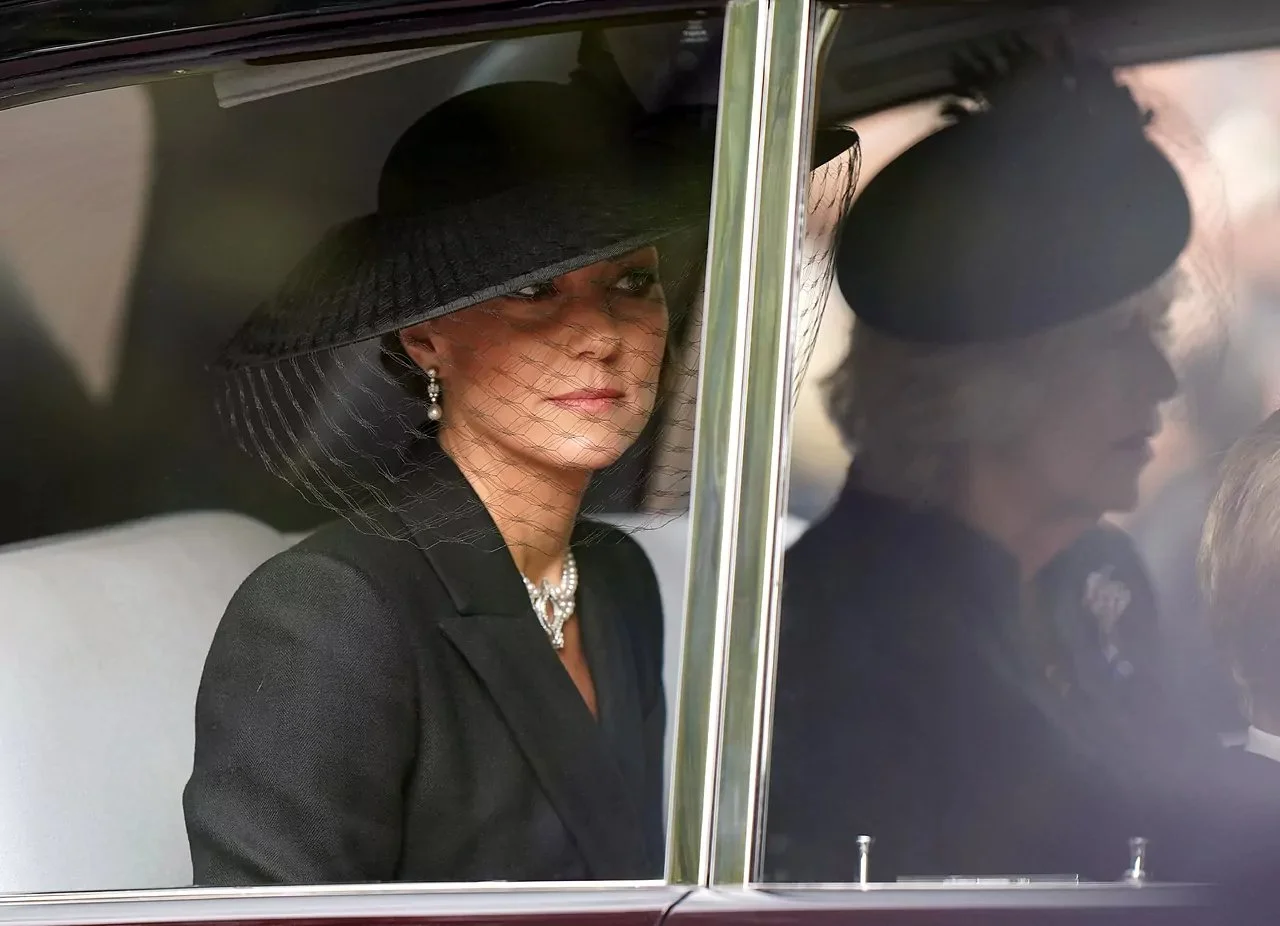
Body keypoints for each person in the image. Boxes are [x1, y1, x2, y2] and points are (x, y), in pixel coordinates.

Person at [184, 37, 859, 886]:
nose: (601, 337)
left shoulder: (617, 583)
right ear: (427, 336)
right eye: (536, 291)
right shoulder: (325, 614)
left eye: (633, 285)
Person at [765, 39, 1217, 884]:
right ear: (979, 383)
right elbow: (1095, 819)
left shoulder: (1097, 568)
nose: (1161, 381)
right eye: (1119, 341)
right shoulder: (845, 622)